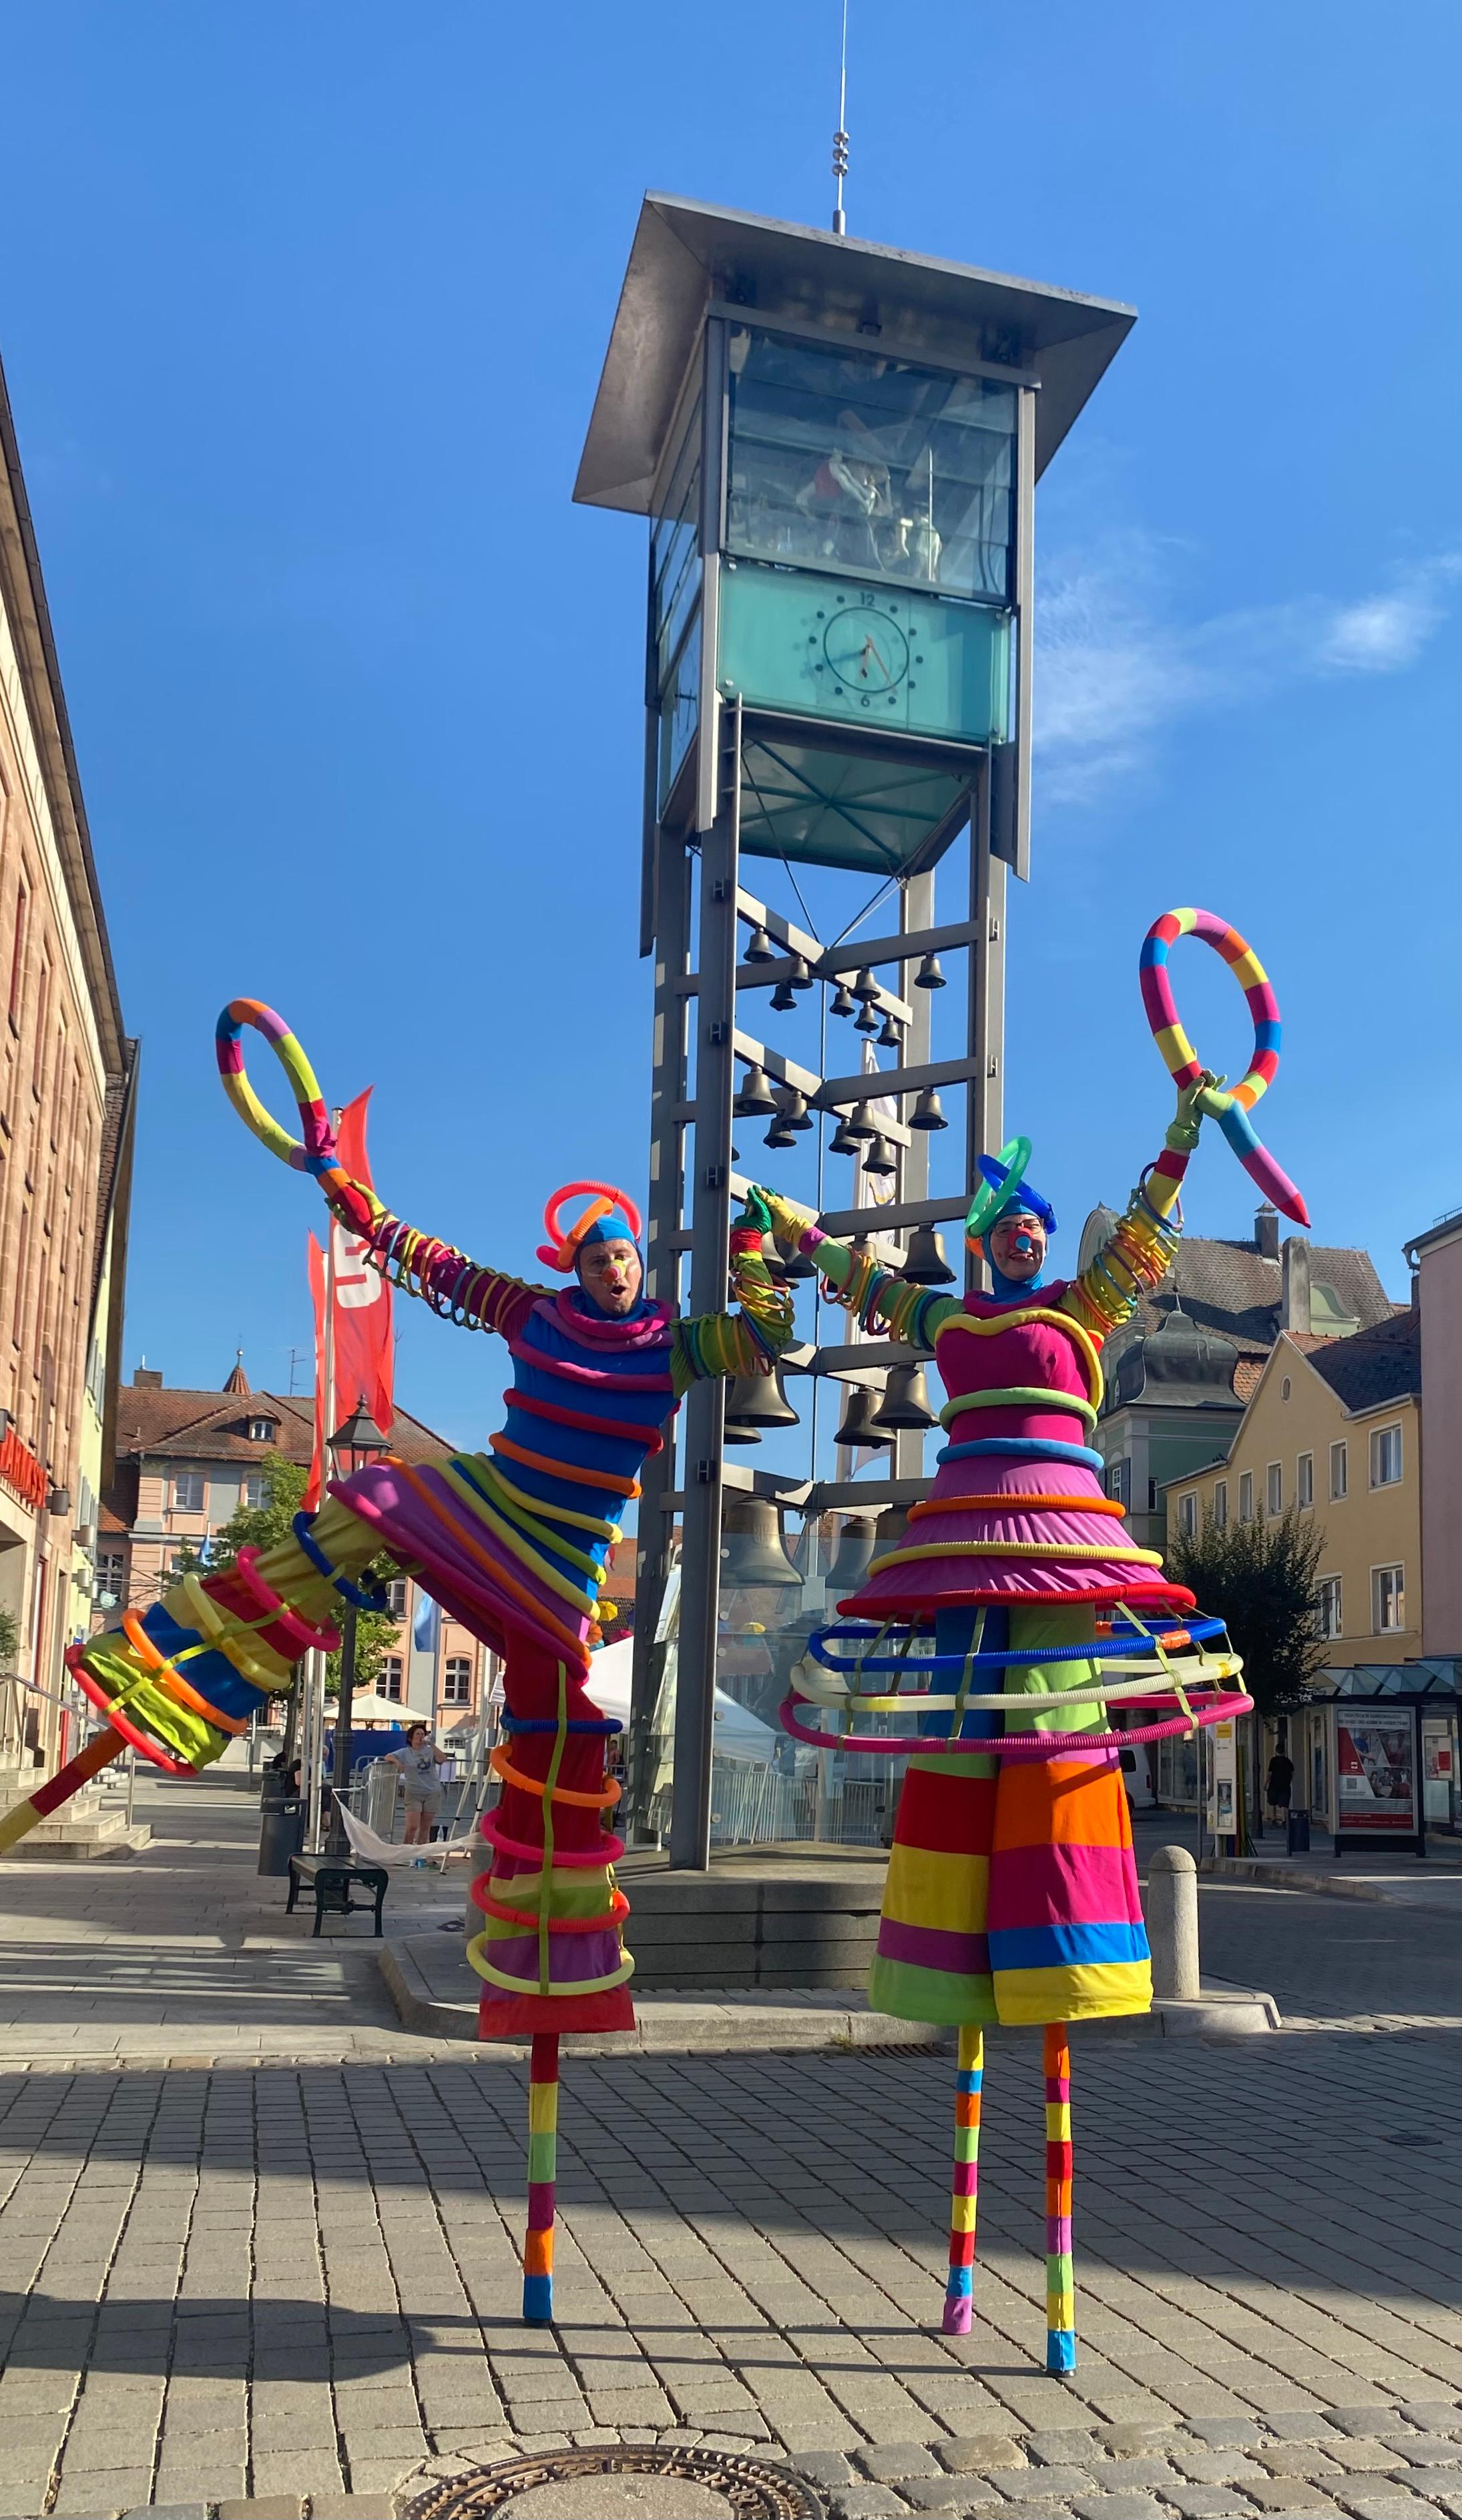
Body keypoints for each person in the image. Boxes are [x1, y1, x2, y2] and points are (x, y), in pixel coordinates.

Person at [760, 1071, 1218, 2037]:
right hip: (965, 1542)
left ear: (1046, 1238)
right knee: (960, 1739)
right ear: (984, 1241)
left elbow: (1142, 1228)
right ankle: (945, 1973)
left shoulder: (1078, 1307)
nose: (1023, 1236)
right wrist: (796, 1229)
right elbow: (867, 1282)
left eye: (1034, 1225)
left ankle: (1064, 1968)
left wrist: (1177, 1137)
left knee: (1056, 1731)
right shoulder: (953, 1320)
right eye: (1007, 1225)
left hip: (1058, 1540)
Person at [388, 1722, 441, 1846]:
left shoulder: (430, 1751)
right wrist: (397, 1762)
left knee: (425, 1827)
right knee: (412, 1826)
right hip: (414, 1792)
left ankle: (420, 1853)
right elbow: (388, 1756)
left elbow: (442, 1759)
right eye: (418, 1734)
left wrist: (432, 1745)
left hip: (432, 1792)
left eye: (423, 1734)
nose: (420, 1737)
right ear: (411, 1738)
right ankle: (406, 1851)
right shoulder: (406, 1752)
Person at [1266, 1747, 1295, 1822]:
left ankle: (1273, 1819)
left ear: (1276, 1751)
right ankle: (1284, 1820)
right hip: (1285, 1785)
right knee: (1284, 1804)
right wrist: (1289, 1781)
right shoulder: (1288, 1761)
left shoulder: (1273, 1761)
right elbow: (1292, 1773)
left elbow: (1270, 1774)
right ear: (1284, 1752)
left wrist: (1266, 1784)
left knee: (1273, 1803)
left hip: (1274, 1785)